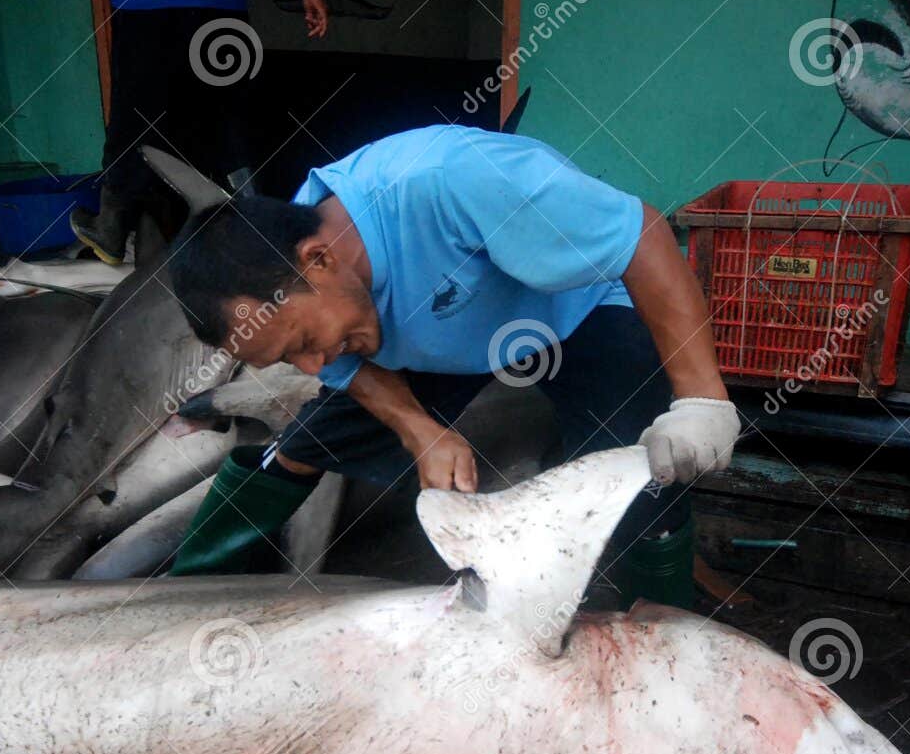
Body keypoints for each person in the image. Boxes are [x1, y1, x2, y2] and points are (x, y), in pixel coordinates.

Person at [163, 124, 740, 608]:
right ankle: (179, 594)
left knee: (645, 478)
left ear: (320, 260)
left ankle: (668, 631)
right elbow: (338, 364)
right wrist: (420, 431)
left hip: (575, 312)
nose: (311, 364)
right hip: (432, 336)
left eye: (304, 340)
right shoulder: (293, 244)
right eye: (288, 358)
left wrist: (701, 399)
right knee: (302, 446)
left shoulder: (457, 180)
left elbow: (641, 234)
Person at [73, 0, 329, 262]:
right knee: (229, 122)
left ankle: (113, 226)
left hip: (145, 2)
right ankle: (253, 227)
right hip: (218, 0)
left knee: (135, 119)